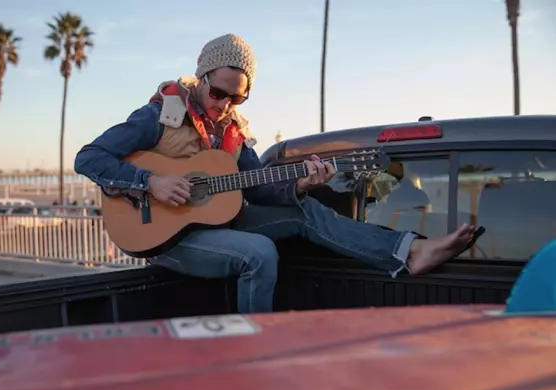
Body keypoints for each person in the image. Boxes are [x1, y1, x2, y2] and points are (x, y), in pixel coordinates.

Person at [74, 33, 481, 314]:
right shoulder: (157, 117)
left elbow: (261, 190)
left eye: (237, 97)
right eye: (218, 93)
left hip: (213, 226)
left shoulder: (234, 132)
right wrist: (152, 182)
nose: (224, 105)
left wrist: (301, 183)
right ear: (201, 79)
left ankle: (408, 251)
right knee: (259, 254)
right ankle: (256, 352)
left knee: (306, 212)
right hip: (163, 239)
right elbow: (89, 158)